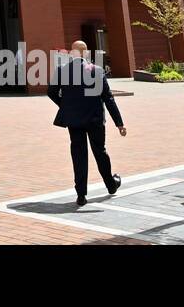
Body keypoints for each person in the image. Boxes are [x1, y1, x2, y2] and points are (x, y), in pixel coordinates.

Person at [47, 40, 127, 207]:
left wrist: (65, 105)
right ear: (85, 54)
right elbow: (108, 98)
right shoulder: (97, 71)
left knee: (78, 155)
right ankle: (111, 185)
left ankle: (81, 195)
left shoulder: (62, 71)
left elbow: (51, 92)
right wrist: (119, 123)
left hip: (74, 120)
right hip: (95, 119)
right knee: (100, 151)